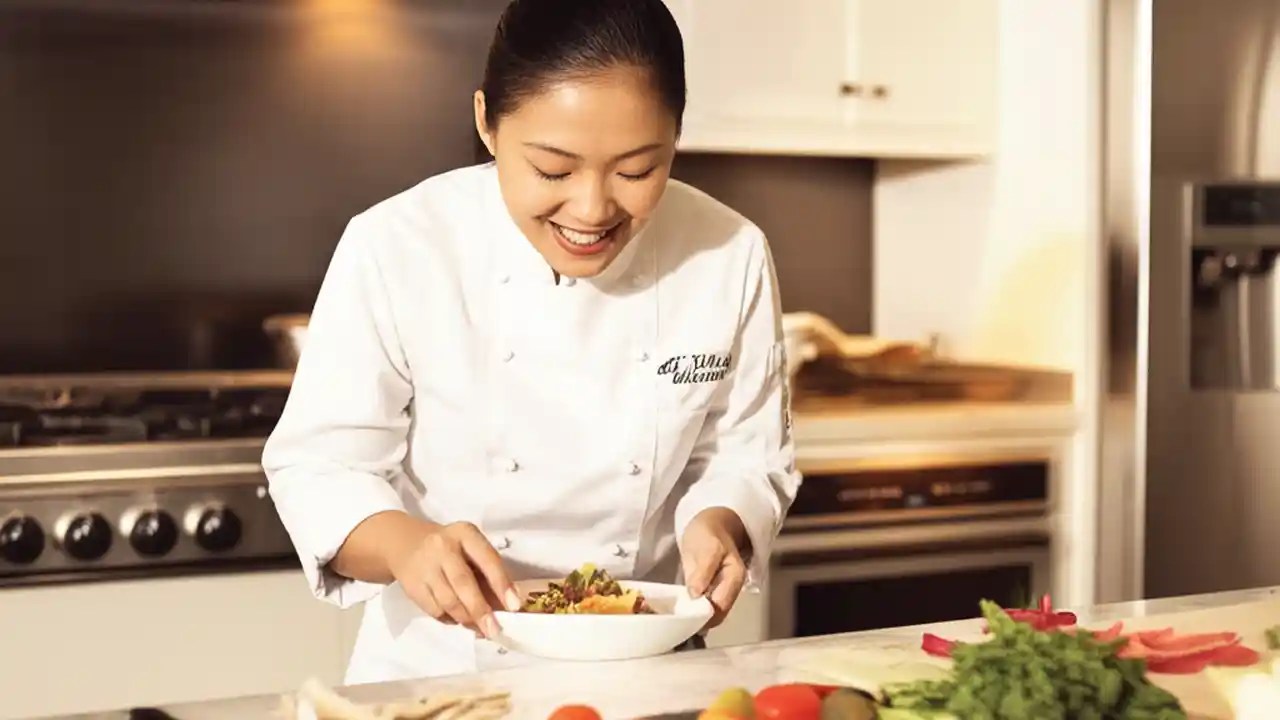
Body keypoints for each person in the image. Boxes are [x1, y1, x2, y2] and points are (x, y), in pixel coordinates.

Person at [262, 0, 801, 684]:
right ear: (487, 121)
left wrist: (723, 523)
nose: (592, 209)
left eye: (638, 170)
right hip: (440, 671)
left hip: (647, 669)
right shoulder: (398, 245)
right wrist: (407, 547)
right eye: (552, 169)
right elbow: (320, 466)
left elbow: (749, 455)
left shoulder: (729, 252)